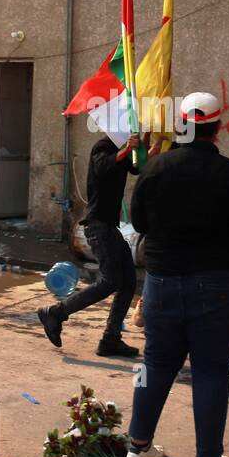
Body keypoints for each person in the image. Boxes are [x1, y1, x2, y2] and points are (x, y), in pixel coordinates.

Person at [124, 92, 229, 457]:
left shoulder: (154, 170)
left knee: (155, 365)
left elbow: (138, 224)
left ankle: (137, 448)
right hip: (217, 285)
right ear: (217, 128)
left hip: (161, 283)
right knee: (210, 370)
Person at [38, 132, 141, 357]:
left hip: (109, 227)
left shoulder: (120, 152)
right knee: (110, 281)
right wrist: (126, 149)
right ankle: (56, 312)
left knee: (127, 281)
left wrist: (148, 145)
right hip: (98, 226)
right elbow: (103, 166)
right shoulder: (102, 147)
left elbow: (136, 167)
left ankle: (111, 339)